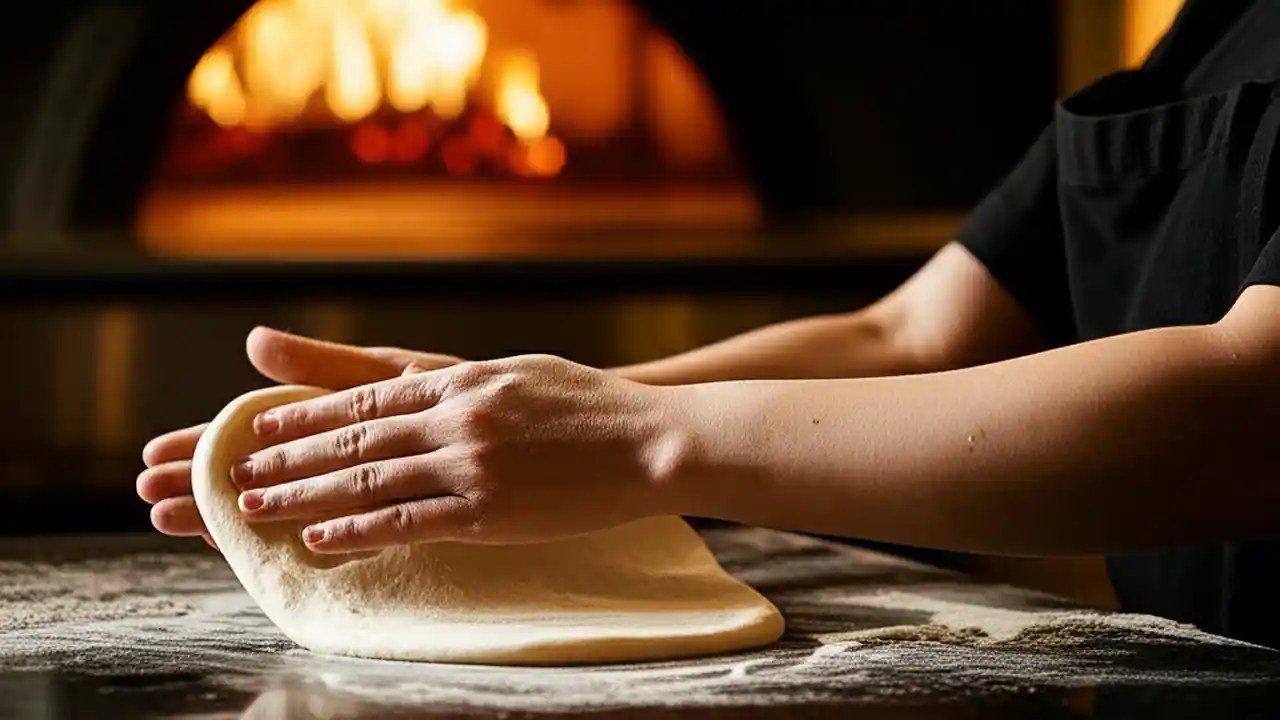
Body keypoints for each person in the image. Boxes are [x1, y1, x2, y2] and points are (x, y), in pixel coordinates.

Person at [137, 0, 1280, 648]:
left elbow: (1246, 415)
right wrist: (509, 426)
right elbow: (911, 338)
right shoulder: (1212, 24)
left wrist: (640, 441)